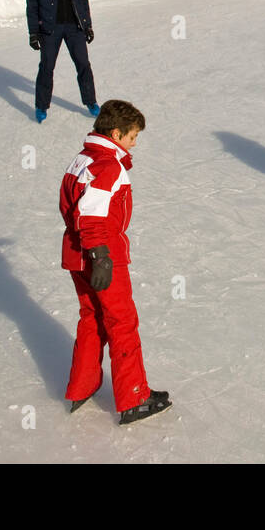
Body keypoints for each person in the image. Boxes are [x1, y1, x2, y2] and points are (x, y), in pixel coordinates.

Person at [59, 99, 171, 425]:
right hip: (103, 255)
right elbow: (92, 214)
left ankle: (82, 386)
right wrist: (101, 256)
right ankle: (133, 396)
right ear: (117, 133)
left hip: (75, 253)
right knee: (121, 323)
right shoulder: (109, 167)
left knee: (91, 318)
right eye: (133, 136)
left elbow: (69, 205)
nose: (135, 143)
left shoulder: (82, 159)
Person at [27, 0, 98, 123]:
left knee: (83, 64)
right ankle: (41, 106)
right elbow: (32, 7)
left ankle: (91, 102)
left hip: (74, 27)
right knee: (47, 67)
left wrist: (87, 25)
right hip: (50, 29)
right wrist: (34, 33)